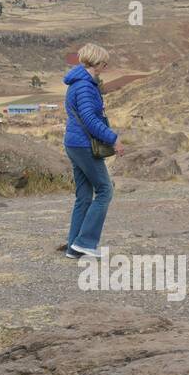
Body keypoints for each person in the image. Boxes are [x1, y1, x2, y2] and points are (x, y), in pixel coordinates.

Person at [63, 43, 124, 258]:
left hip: (74, 143)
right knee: (105, 190)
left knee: (84, 196)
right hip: (83, 145)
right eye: (103, 63)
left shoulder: (77, 82)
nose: (104, 67)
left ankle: (74, 248)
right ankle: (86, 242)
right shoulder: (86, 86)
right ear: (96, 62)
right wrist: (113, 138)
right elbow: (89, 119)